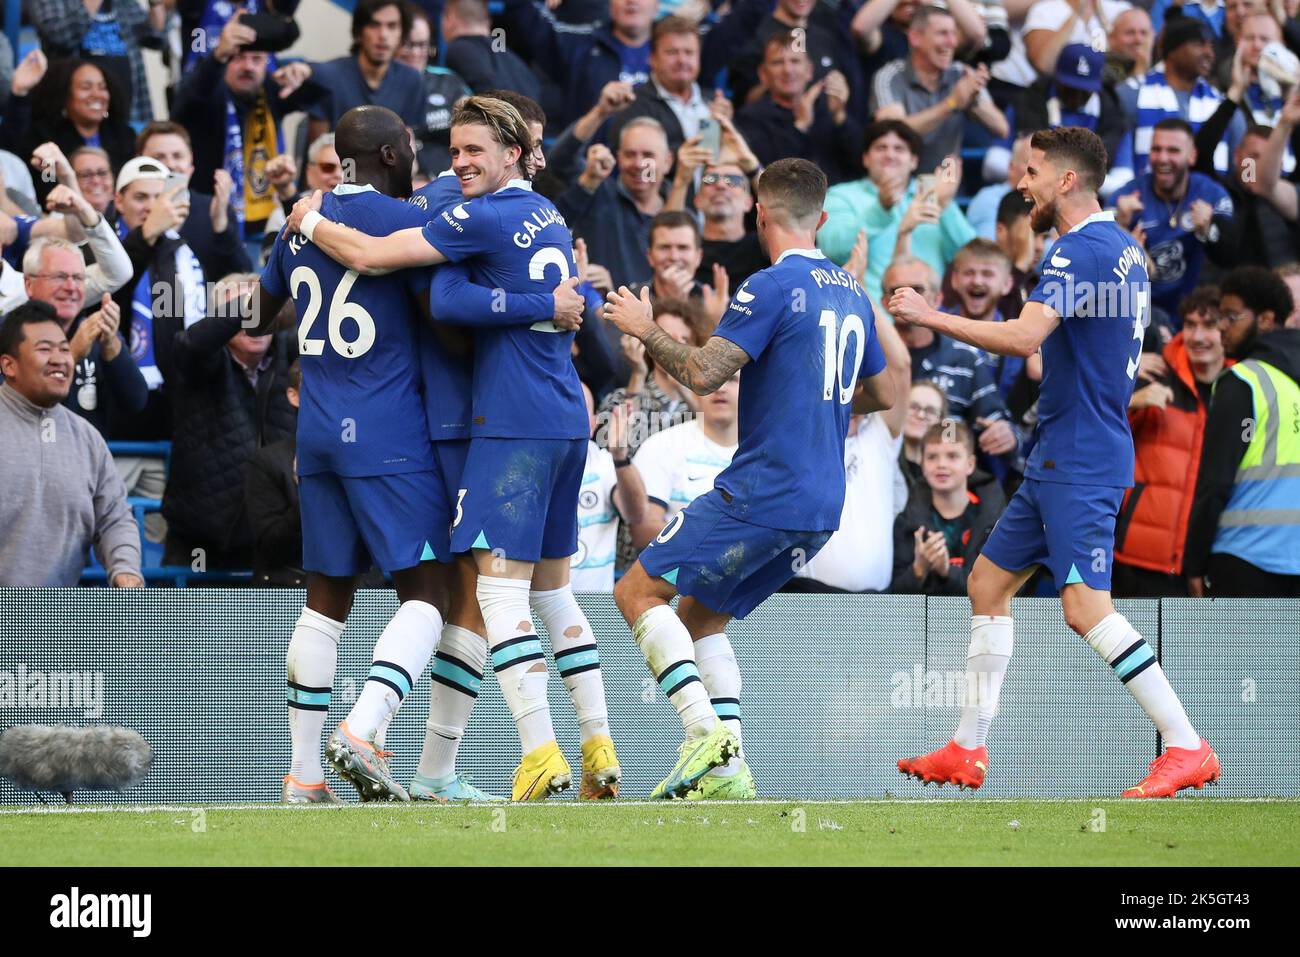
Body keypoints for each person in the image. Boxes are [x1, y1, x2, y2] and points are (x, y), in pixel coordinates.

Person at [285, 97, 620, 802]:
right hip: (467, 423)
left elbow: (407, 285)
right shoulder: (512, 209)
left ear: (515, 150)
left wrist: (308, 217)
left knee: (468, 597)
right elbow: (429, 296)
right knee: (471, 594)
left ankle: (411, 764)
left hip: (478, 420)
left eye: (476, 150)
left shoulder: (455, 204)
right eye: (452, 149)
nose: (458, 163)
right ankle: (391, 736)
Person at [889, 126, 1219, 798]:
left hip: (1082, 458)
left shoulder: (1078, 251)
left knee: (1084, 607)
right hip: (1060, 453)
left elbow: (1022, 337)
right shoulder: (1123, 251)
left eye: (1034, 171)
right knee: (986, 582)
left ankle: (1187, 745)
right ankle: (968, 747)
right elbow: (1066, 346)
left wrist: (933, 314)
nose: (1023, 182)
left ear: (1067, 181)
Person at [603, 158, 896, 800]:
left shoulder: (767, 286)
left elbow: (706, 373)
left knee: (636, 594)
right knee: (702, 617)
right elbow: (881, 392)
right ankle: (731, 775)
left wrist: (643, 327)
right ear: (821, 219)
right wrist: (818, 397)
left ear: (759, 213)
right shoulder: (850, 289)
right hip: (822, 505)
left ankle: (704, 736)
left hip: (764, 489)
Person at [0, 300, 142, 587]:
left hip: (57, 619)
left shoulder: (87, 437)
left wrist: (125, 570)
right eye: (44, 349)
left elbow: (113, 517)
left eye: (65, 349)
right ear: (9, 365)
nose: (60, 359)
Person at [1185, 266, 1300, 596]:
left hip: (1243, 557)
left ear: (1265, 319)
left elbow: (1214, 482)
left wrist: (1194, 563)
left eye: (1231, 317)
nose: (1221, 327)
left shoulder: (1243, 382)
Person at [1113, 289, 1228, 597]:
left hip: (1204, 559)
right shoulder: (1155, 375)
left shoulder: (1241, 388)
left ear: (1226, 330)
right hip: (1138, 556)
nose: (1198, 336)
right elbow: (1090, 429)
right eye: (1190, 325)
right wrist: (1133, 401)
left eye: (1209, 326)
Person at [817, 119, 975, 303]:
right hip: (869, 316)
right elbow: (832, 250)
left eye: (899, 149)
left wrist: (945, 204)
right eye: (881, 148)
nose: (890, 155)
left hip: (929, 318)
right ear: (865, 158)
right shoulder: (841, 196)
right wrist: (880, 208)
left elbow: (971, 259)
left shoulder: (934, 195)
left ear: (914, 161)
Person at [1112, 119, 1236, 323]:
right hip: (1140, 316)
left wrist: (1208, 230)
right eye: (1156, 149)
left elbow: (1230, 254)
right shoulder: (1126, 198)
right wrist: (1119, 228)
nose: (1163, 158)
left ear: (1192, 155)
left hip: (1199, 315)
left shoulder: (1211, 195)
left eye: (1173, 151)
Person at [22, 235, 145, 436]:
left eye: (78, 278)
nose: (71, 287)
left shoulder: (96, 331)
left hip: (87, 463)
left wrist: (111, 347)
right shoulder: (9, 334)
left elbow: (136, 401)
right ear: (29, 284)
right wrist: (72, 355)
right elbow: (21, 408)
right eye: (59, 277)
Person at [870, 4, 1009, 171]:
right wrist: (952, 104)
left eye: (953, 34)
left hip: (945, 180)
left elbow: (1002, 129)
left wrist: (972, 100)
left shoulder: (961, 74)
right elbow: (891, 133)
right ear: (915, 38)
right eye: (942, 34)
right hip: (896, 180)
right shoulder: (889, 76)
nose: (951, 43)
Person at [556, 117, 674, 289]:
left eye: (648, 155)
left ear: (668, 161)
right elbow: (560, 161)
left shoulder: (679, 208)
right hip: (596, 312)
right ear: (618, 158)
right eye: (630, 154)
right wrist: (602, 110)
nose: (639, 164)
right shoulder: (597, 190)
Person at [891, 419, 1006, 594]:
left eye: (952, 456)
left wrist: (947, 571)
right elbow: (891, 597)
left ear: (970, 464)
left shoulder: (996, 521)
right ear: (922, 465)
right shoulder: (906, 522)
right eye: (932, 457)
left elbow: (1001, 589)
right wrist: (918, 570)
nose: (941, 464)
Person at [734, 31, 862, 187]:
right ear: (763, 74)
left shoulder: (828, 109)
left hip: (836, 203)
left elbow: (861, 163)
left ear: (809, 70)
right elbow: (771, 178)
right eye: (777, 62)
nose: (788, 70)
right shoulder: (750, 118)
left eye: (795, 61)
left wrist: (840, 116)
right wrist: (800, 126)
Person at [0, 55, 136, 201]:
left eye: (103, 88)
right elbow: (10, 152)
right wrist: (19, 93)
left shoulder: (125, 137)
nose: (97, 94)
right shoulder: (44, 138)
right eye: (86, 87)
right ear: (65, 94)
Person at [136, 121, 252, 281]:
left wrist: (220, 226)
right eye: (158, 157)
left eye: (178, 156)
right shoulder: (132, 211)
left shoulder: (215, 208)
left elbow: (243, 279)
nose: (170, 164)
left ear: (191, 163)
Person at [305, 0, 425, 145]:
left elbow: (408, 149)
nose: (383, 35)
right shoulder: (329, 78)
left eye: (392, 26)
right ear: (359, 31)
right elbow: (317, 155)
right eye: (374, 25)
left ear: (402, 34)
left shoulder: (411, 81)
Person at [245, 359, 305, 588]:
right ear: (294, 395)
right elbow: (270, 547)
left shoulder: (364, 460)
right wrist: (308, 496)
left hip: (361, 591)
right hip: (288, 591)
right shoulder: (268, 461)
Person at [401, 2, 471, 178]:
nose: (416, 53)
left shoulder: (448, 81)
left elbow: (476, 129)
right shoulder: (378, 87)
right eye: (408, 45)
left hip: (451, 180)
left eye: (422, 45)